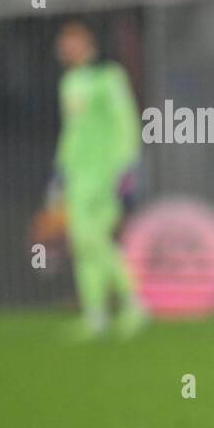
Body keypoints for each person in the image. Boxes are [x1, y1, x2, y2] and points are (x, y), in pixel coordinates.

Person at [48, 20, 147, 339]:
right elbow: (72, 132)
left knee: (92, 238)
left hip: (105, 174)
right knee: (82, 244)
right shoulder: (69, 82)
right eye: (63, 44)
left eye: (72, 42)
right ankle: (96, 315)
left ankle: (134, 301)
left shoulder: (109, 77)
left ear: (88, 43)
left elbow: (126, 122)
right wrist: (59, 171)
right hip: (77, 176)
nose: (66, 49)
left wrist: (126, 168)